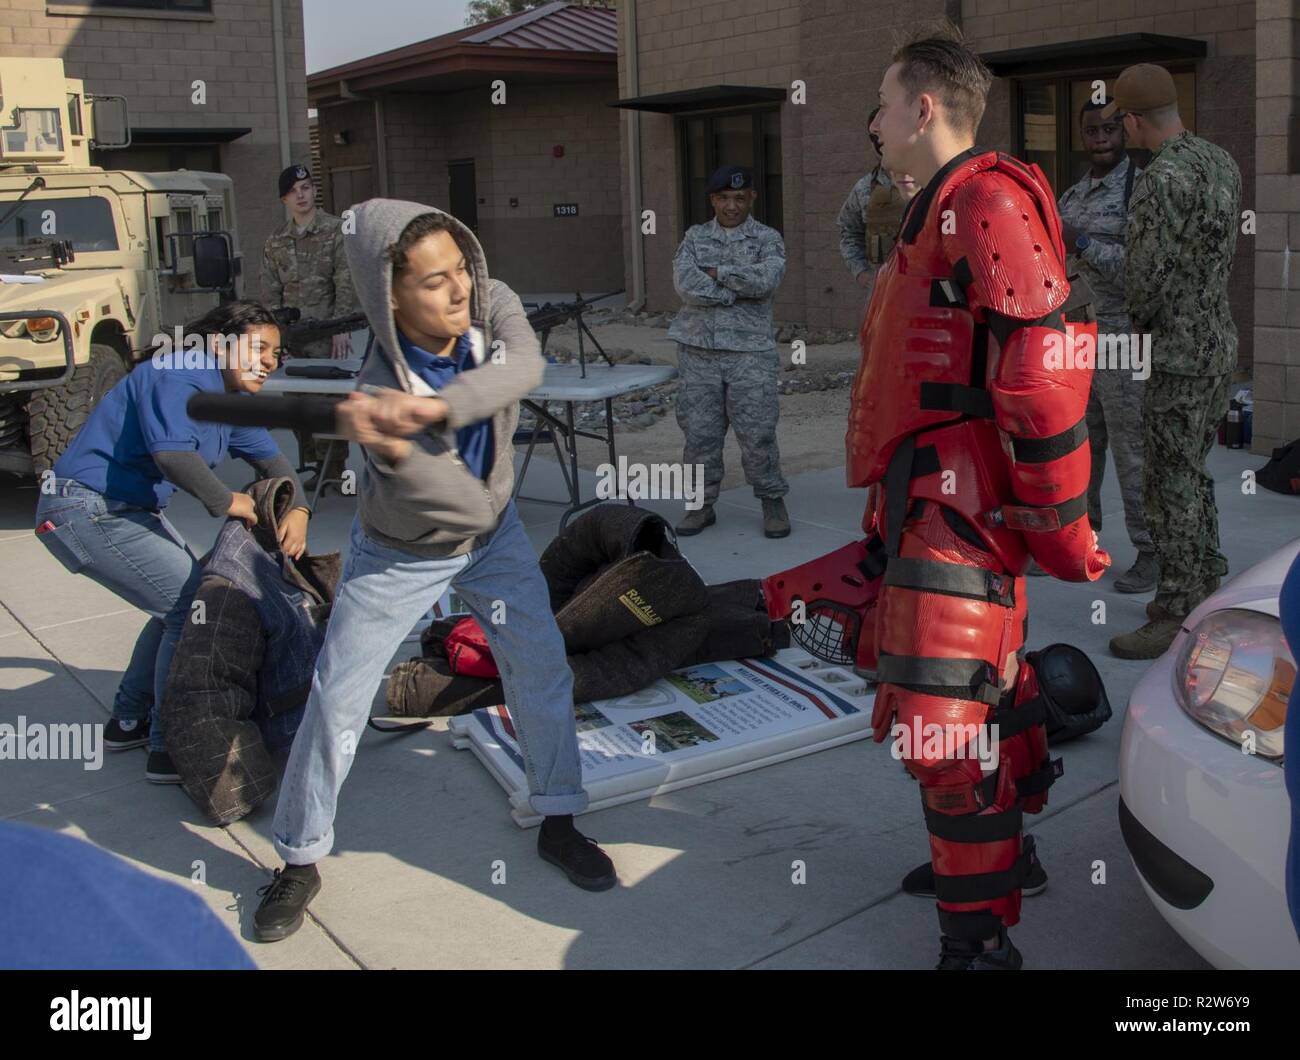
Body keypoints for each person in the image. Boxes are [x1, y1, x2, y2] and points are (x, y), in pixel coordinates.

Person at [764, 28, 1109, 969]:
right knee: (969, 691)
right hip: (925, 494)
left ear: (924, 108)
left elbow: (1047, 372)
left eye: (880, 104)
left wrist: (1057, 525)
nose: (871, 123)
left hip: (958, 504)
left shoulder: (985, 200)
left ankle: (979, 941)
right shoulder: (935, 208)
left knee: (943, 719)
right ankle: (1008, 864)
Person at [252, 200, 617, 944]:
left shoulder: (493, 302)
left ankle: (557, 815)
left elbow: (523, 363)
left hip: (497, 537)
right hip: (399, 555)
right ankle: (300, 854)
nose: (459, 292)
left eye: (460, 271)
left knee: (539, 664)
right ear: (391, 295)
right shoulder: (378, 384)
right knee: (338, 699)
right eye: (434, 282)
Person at [33, 301, 310, 783]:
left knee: (177, 607)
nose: (269, 361)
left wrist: (300, 510)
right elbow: (174, 457)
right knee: (188, 608)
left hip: (123, 511)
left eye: (276, 353)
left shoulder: (229, 399)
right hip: (84, 509)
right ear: (223, 344)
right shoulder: (180, 371)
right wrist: (230, 502)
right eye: (259, 348)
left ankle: (129, 720)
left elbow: (276, 465)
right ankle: (170, 745)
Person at [1104, 64, 1242, 660]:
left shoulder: (1160, 177)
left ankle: (1181, 607)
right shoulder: (1222, 162)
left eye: (1122, 121)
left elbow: (1146, 277)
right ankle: (1204, 576)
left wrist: (1136, 315)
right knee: (1193, 468)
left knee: (1170, 480)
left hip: (1180, 354)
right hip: (1218, 344)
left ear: (1134, 119)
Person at [1057, 100, 1155, 593]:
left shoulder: (1141, 191)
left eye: (1110, 128)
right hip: (1078, 337)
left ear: (1125, 132)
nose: (1100, 137)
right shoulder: (1070, 197)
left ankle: (1149, 552)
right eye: (1091, 129)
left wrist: (1082, 244)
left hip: (1124, 337)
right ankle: (1083, 540)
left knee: (1131, 452)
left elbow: (1142, 269)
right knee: (1080, 448)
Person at [668, 165, 790, 539]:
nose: (732, 206)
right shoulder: (694, 237)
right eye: (724, 198)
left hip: (749, 353)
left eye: (739, 198)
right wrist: (733, 289)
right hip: (698, 352)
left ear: (751, 197)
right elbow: (685, 285)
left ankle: (772, 501)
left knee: (757, 434)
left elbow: (766, 280)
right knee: (700, 434)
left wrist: (716, 273)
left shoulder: (767, 239)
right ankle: (700, 505)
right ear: (713, 200)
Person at [260, 164, 355, 493]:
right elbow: (271, 293)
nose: (301, 195)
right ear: (284, 199)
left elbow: (345, 281)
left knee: (328, 403)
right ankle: (317, 465)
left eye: (306, 187)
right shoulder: (276, 242)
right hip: (293, 336)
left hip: (327, 332)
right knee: (298, 404)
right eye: (293, 191)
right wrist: (274, 338)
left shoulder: (335, 231)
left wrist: (341, 326)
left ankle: (335, 468)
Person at [836, 108, 918, 291]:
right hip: (882, 292)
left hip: (924, 290)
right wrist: (862, 273)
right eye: (875, 137)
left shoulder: (926, 180)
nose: (880, 143)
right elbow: (848, 230)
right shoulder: (864, 188)